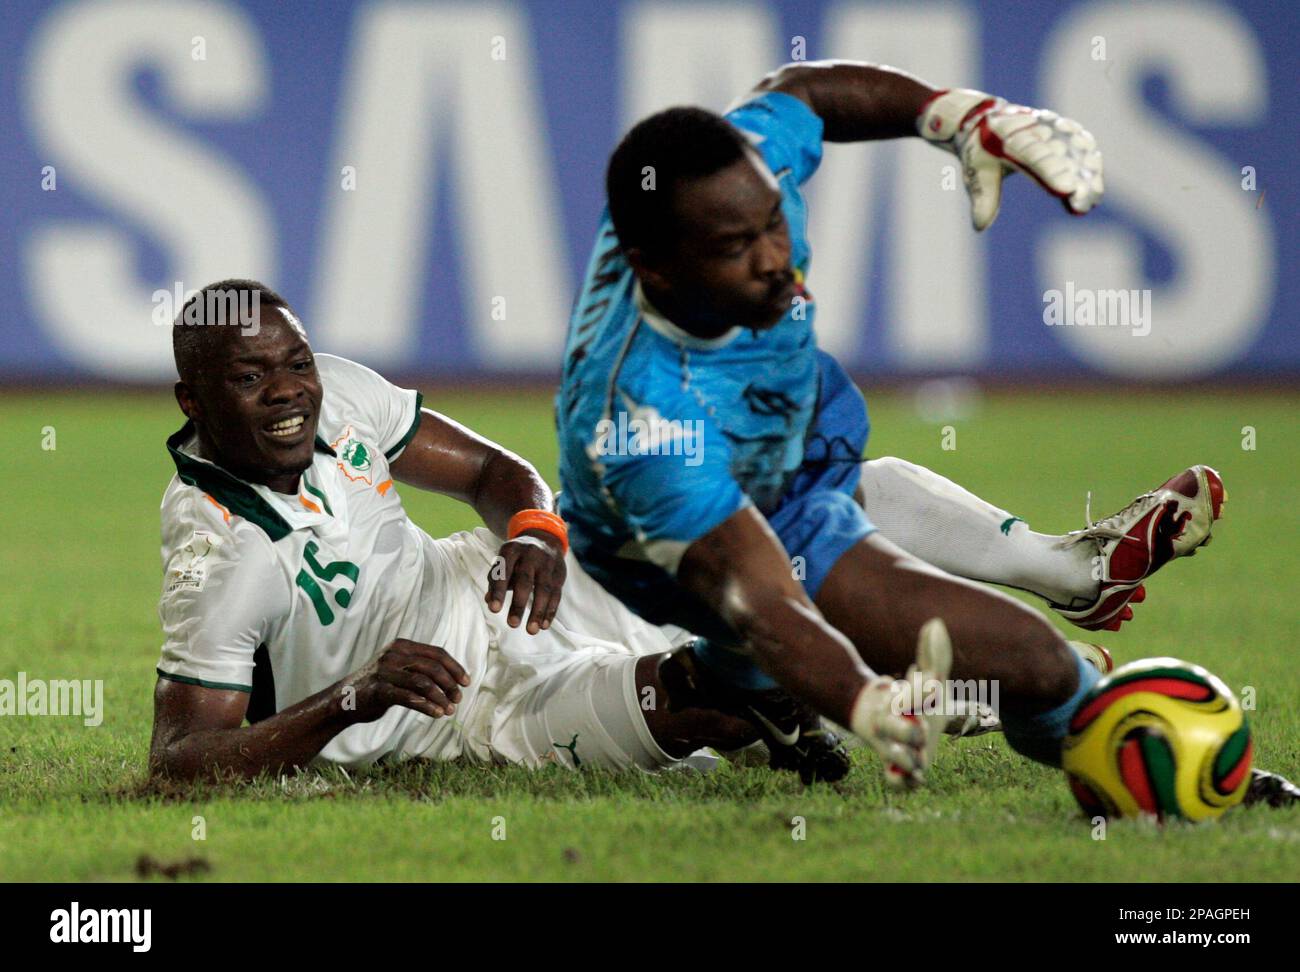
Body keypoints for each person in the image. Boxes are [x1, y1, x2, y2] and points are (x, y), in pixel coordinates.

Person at [555, 60, 1224, 786]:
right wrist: (860, 697)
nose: (777, 259)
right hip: (658, 544)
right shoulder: (646, 427)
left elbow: (801, 93)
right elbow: (762, 600)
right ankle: (758, 678)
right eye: (735, 248)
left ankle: (753, 688)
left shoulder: (733, 183)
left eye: (775, 221)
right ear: (651, 270)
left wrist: (962, 117)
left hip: (773, 435)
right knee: (1017, 661)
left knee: (1037, 663)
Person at [148, 280, 761, 780]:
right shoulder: (219, 551)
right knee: (709, 705)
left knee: (687, 508)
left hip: (503, 586)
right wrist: (352, 696)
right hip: (475, 710)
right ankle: (766, 695)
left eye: (297, 363)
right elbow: (180, 758)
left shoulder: (341, 395)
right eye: (249, 379)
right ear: (192, 401)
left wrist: (536, 532)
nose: (289, 391)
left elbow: (490, 470)